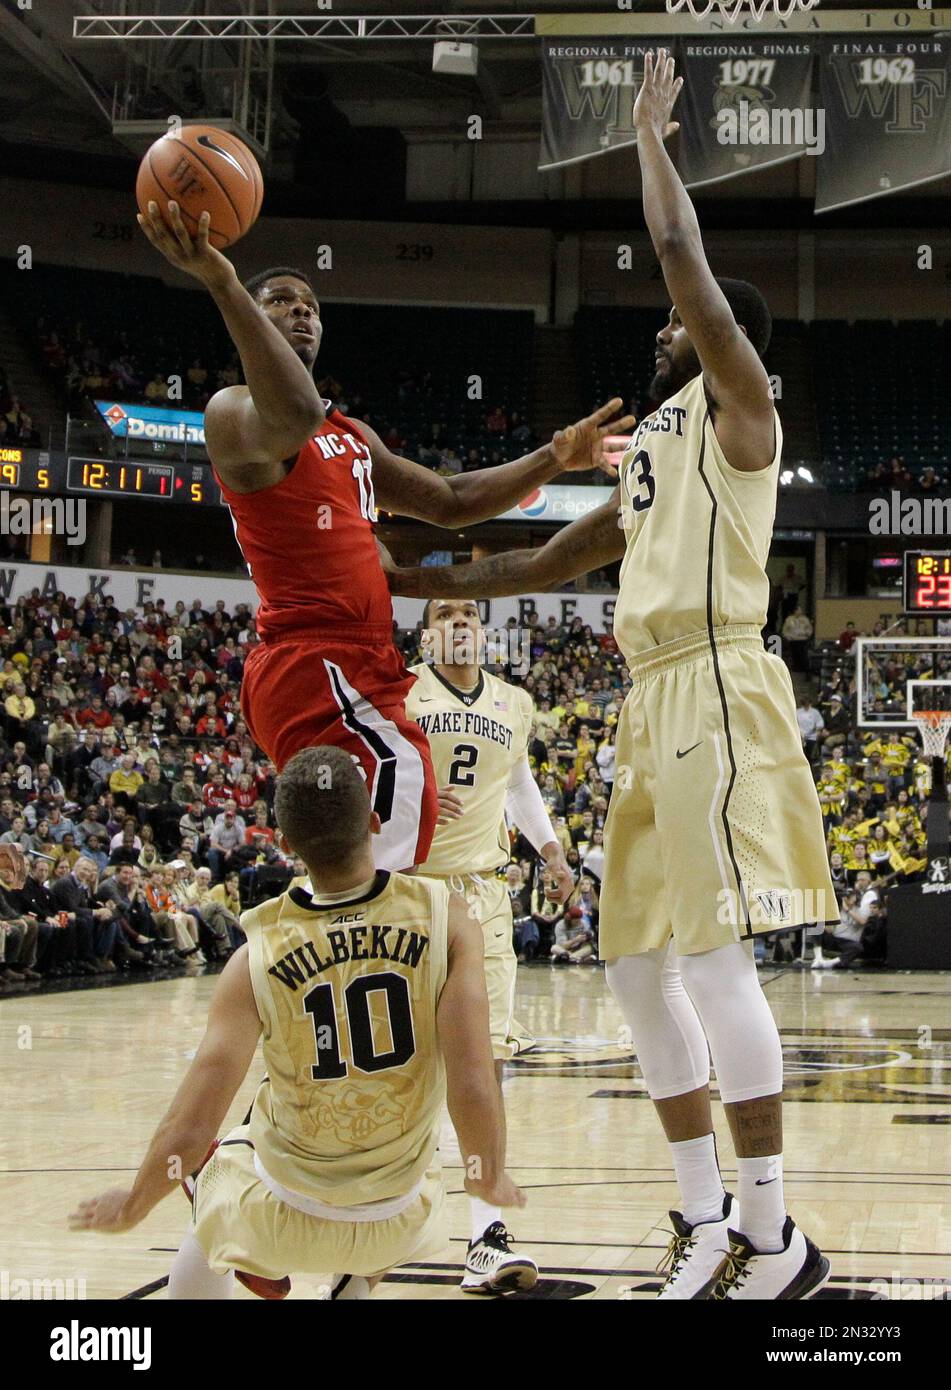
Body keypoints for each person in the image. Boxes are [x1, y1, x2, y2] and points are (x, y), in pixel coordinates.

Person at [387, 50, 834, 1301]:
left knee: (712, 965)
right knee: (634, 970)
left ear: (716, 336)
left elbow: (687, 273)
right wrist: (378, 581)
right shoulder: (647, 456)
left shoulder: (743, 411)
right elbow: (518, 570)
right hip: (647, 702)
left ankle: (773, 1233)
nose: (656, 335)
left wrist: (651, 146)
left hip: (720, 683)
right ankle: (702, 1220)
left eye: (674, 328)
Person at [135, 196, 630, 871]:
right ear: (248, 319)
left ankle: (320, 959)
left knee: (362, 841)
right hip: (311, 658)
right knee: (401, 803)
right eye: (280, 302)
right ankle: (332, 952)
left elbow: (453, 502)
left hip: (362, 657)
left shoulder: (352, 436)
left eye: (310, 304)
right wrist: (221, 279)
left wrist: (552, 456)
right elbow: (295, 411)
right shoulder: (233, 413)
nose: (302, 311)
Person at [69, 745, 524, 1302]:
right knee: (410, 1153)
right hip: (400, 1215)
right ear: (375, 823)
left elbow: (189, 1126)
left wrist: (132, 1206)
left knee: (211, 1164)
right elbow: (474, 1081)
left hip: (282, 1211)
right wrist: (487, 1173)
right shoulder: (447, 918)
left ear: (284, 845)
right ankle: (353, 1285)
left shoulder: (253, 956)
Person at [404, 597, 575, 1292]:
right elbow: (358, 773)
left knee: (487, 1063)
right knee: (398, 1067)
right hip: (409, 891)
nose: (461, 622)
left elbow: (518, 783)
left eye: (470, 615)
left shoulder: (514, 702)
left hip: (483, 894)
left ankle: (484, 1235)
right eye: (445, 615)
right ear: (425, 635)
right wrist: (408, 799)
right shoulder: (400, 693)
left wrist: (551, 851)